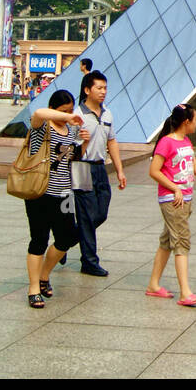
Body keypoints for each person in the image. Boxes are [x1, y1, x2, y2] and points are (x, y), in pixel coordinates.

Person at [146, 103, 196, 307]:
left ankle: (154, 285)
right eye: (195, 119)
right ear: (186, 122)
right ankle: (185, 292)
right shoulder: (166, 143)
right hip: (173, 200)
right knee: (181, 241)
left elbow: (195, 167)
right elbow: (154, 171)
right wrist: (174, 188)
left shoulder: (185, 142)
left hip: (185, 199)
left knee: (167, 241)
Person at [22, 89, 88, 308]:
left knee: (68, 237)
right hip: (40, 192)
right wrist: (66, 117)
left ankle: (44, 274)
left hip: (63, 192)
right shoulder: (42, 127)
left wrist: (83, 142)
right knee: (39, 239)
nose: (69, 115)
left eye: (70, 110)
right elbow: (39, 112)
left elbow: (72, 158)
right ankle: (33, 289)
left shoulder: (70, 130)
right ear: (54, 110)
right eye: (63, 111)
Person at [72, 70, 127, 277]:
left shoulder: (108, 114)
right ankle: (89, 261)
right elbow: (73, 148)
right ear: (87, 90)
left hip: (100, 167)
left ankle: (67, 239)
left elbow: (111, 141)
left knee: (100, 213)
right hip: (81, 167)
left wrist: (120, 170)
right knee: (87, 214)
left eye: (105, 88)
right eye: (99, 88)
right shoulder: (77, 115)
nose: (103, 92)